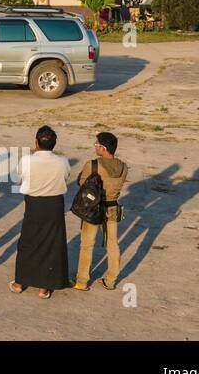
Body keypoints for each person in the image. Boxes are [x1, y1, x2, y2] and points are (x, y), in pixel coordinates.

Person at [10, 125, 71, 299]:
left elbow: (20, 175)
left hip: (34, 204)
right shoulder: (62, 161)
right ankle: (44, 287)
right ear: (54, 144)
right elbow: (65, 176)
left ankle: (19, 282)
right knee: (52, 244)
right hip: (54, 204)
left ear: (36, 142)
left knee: (28, 241)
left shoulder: (27, 160)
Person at [72, 131, 128, 292]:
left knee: (87, 245)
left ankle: (82, 281)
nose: (95, 147)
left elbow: (81, 182)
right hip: (112, 208)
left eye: (96, 145)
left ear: (103, 148)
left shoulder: (93, 165)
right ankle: (111, 280)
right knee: (112, 243)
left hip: (93, 209)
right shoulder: (123, 167)